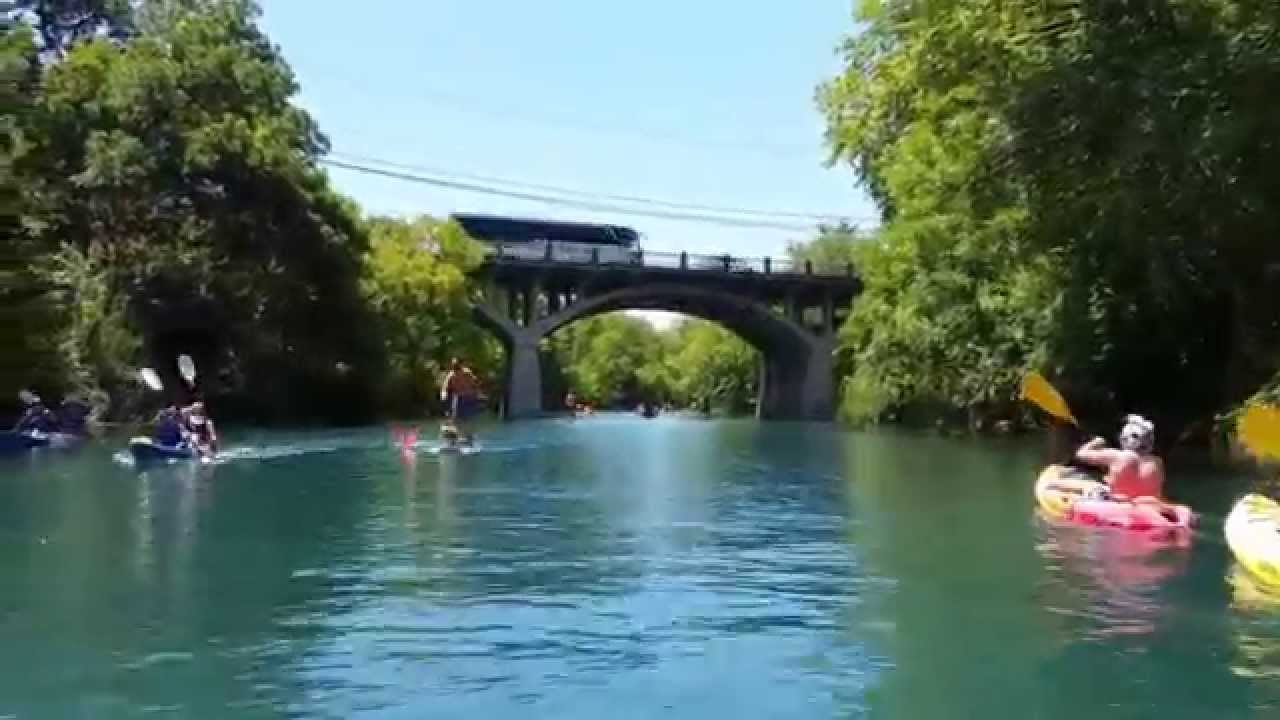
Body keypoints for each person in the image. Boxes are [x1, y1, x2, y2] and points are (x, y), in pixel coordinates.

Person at [1074, 414, 1164, 501]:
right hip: (1148, 504)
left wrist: (1097, 441)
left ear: (1124, 438)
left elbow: (1080, 454)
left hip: (1120, 502)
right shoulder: (1158, 462)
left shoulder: (1116, 456)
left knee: (1089, 486)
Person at [440, 358, 482, 445]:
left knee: (468, 418)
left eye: (457, 368)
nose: (456, 371)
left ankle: (469, 438)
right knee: (456, 418)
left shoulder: (467, 373)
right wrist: (443, 395)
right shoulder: (451, 375)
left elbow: (476, 383)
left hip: (470, 398)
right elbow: (445, 387)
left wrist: (478, 394)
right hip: (459, 398)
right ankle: (453, 439)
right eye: (455, 368)